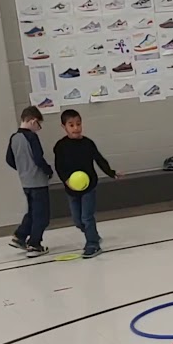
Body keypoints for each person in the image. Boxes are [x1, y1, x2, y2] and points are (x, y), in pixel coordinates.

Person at [53, 109, 119, 258]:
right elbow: (59, 166)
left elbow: (99, 159)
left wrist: (111, 172)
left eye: (78, 124)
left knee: (87, 217)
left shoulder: (88, 144)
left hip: (89, 186)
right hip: (71, 189)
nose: (76, 128)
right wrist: (66, 180)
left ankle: (92, 244)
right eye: (71, 125)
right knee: (78, 220)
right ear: (64, 127)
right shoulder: (60, 146)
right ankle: (93, 235)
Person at [6, 106, 53, 257]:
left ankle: (20, 236)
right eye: (38, 124)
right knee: (42, 216)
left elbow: (9, 159)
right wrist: (48, 170)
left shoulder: (14, 138)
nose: (38, 128)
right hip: (38, 181)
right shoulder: (31, 137)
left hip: (25, 182)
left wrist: (22, 169)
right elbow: (38, 158)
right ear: (33, 121)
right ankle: (34, 243)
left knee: (33, 211)